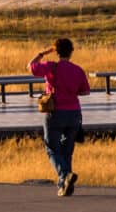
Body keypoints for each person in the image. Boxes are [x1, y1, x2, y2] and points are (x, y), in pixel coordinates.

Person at [30, 37, 91, 197]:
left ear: (56, 52)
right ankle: (64, 186)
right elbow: (85, 91)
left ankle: (65, 175)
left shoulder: (51, 67)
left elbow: (31, 66)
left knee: (51, 149)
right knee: (67, 150)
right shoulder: (78, 70)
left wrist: (42, 53)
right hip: (74, 114)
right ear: (71, 52)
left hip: (55, 113)